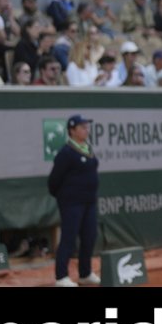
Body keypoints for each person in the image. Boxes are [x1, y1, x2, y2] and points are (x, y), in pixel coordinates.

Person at [47, 115, 101, 287]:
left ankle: (85, 274)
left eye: (87, 127)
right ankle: (61, 277)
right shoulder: (66, 153)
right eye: (83, 127)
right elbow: (53, 180)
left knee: (89, 237)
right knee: (69, 238)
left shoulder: (88, 148)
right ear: (72, 130)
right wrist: (66, 197)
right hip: (72, 203)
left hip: (89, 202)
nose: (87, 130)